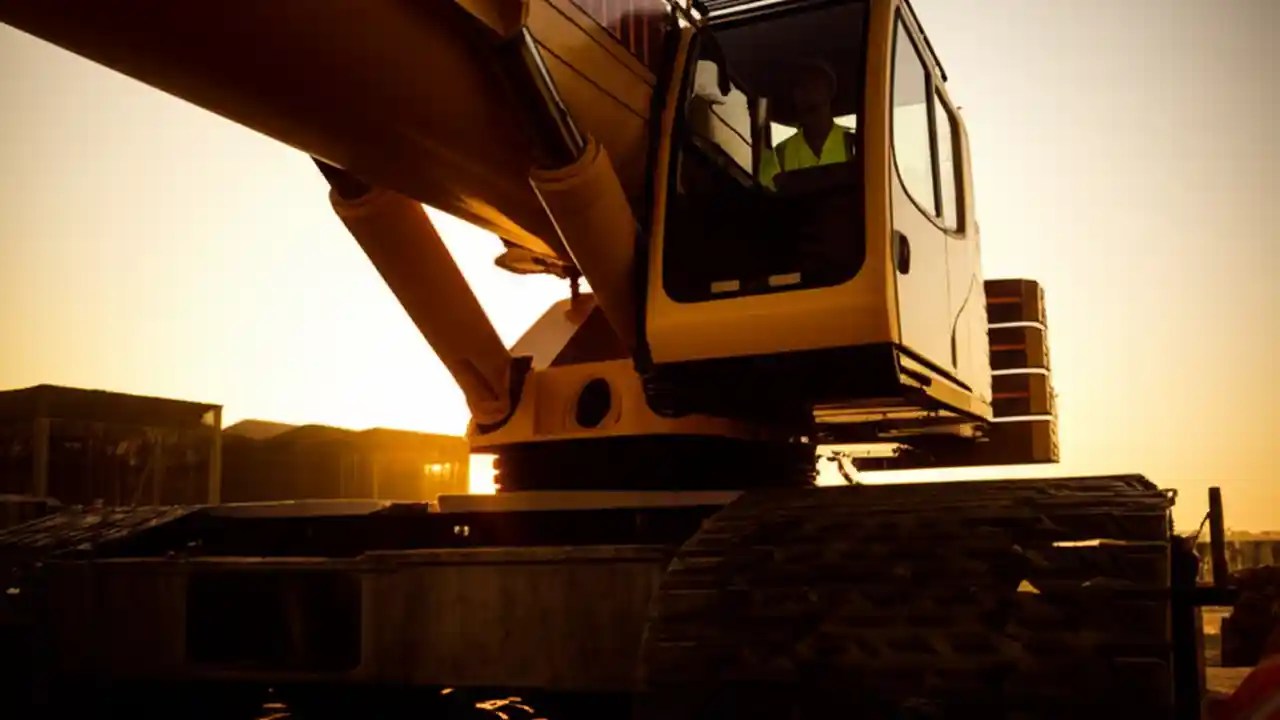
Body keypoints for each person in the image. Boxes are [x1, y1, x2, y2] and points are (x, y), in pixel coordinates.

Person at [758, 59, 855, 190]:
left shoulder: (855, 146)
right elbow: (765, 204)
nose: (806, 94)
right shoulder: (778, 156)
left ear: (830, 92)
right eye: (800, 88)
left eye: (814, 85)